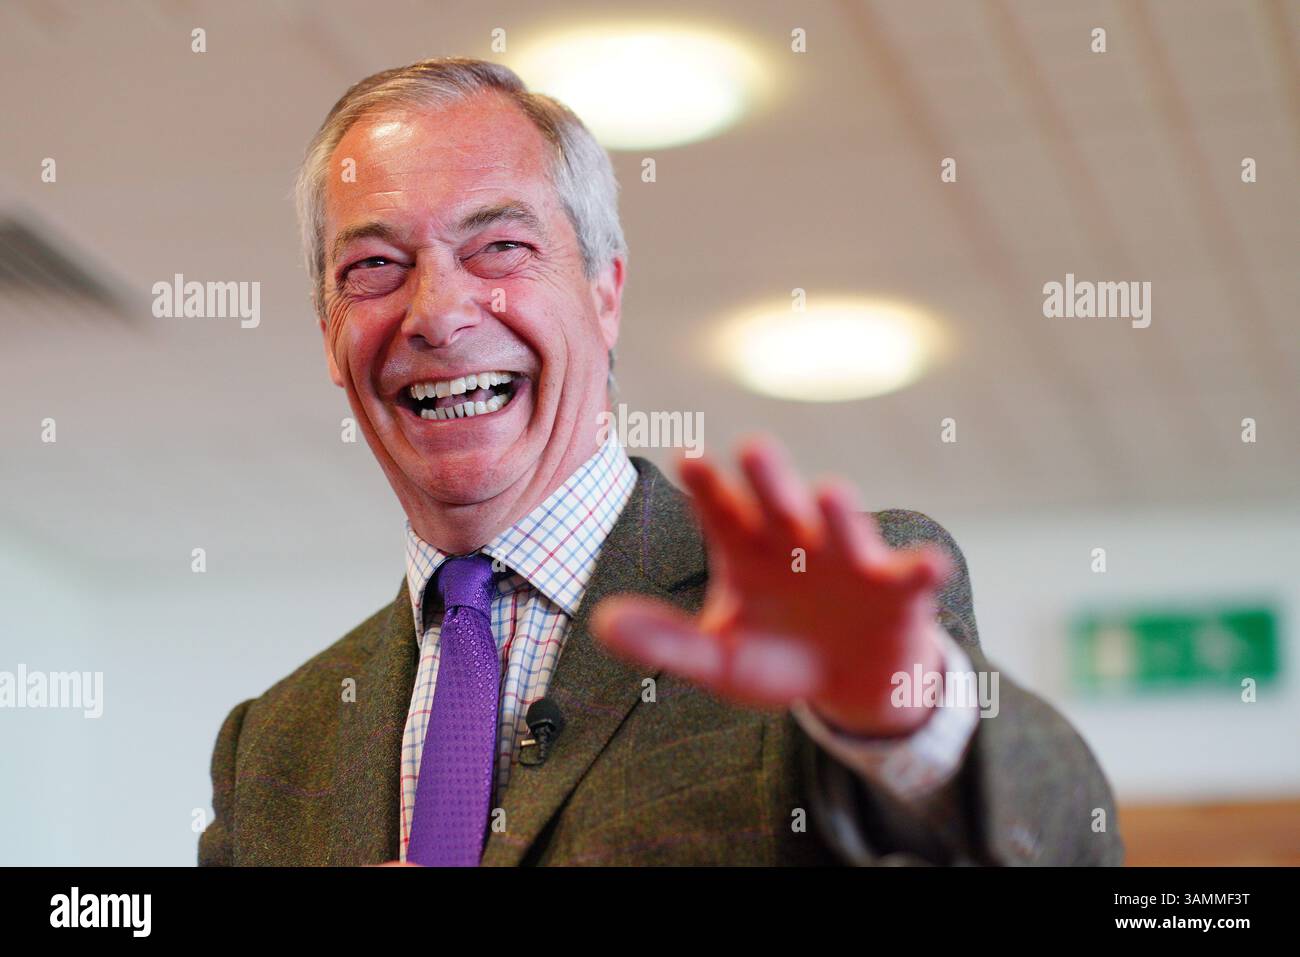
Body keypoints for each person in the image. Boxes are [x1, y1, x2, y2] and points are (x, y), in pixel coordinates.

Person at [199, 57, 1122, 866]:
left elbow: (1067, 840)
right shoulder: (274, 745)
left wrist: (909, 719)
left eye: (501, 248)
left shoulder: (820, 619)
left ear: (605, 293)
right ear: (329, 332)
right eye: (374, 267)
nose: (436, 312)